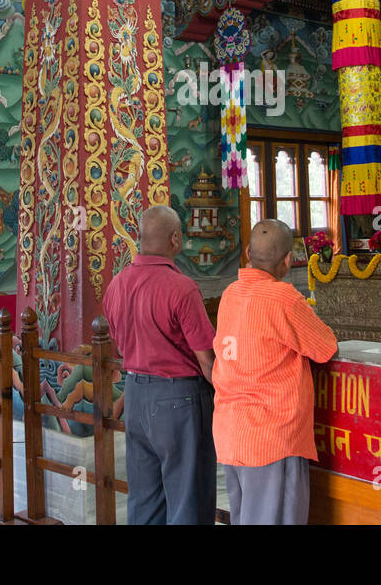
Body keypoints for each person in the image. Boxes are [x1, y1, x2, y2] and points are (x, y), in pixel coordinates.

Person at [213, 219, 338, 525]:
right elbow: (326, 348)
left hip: (231, 432)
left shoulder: (230, 293)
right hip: (270, 437)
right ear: (287, 261)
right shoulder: (283, 298)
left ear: (247, 253)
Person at [101, 205, 216, 524]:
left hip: (136, 396)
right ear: (175, 239)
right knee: (187, 499)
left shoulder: (116, 285)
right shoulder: (181, 288)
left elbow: (119, 344)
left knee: (144, 498)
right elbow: (206, 361)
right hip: (179, 400)